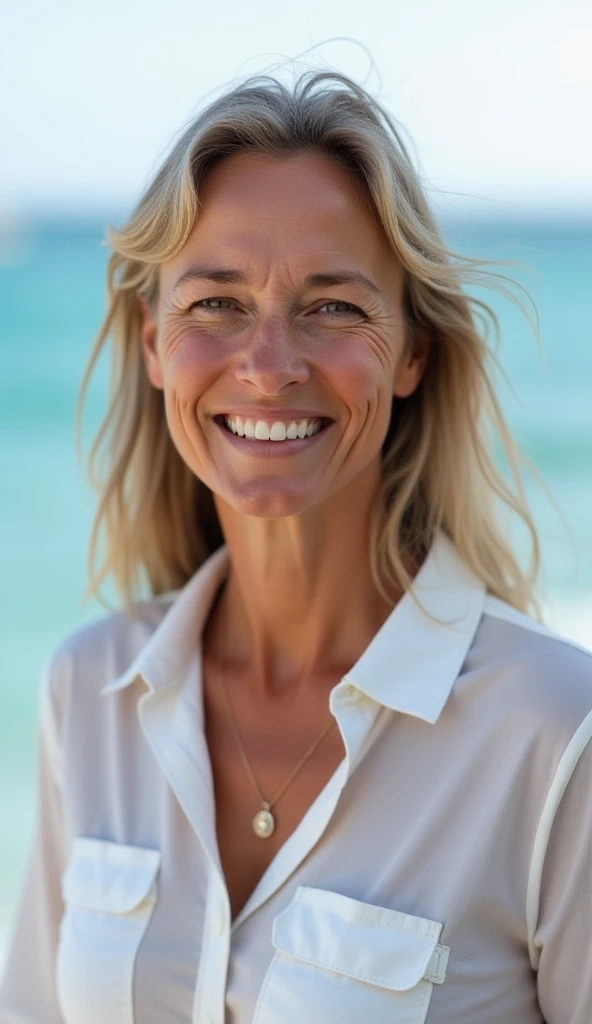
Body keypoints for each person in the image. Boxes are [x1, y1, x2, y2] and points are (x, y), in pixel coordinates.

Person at [1, 67, 591, 1024]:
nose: (270, 367)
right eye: (216, 304)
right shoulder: (89, 694)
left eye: (333, 306)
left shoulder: (558, 735)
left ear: (411, 354)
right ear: (154, 345)